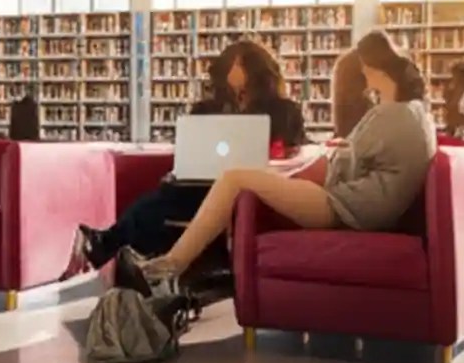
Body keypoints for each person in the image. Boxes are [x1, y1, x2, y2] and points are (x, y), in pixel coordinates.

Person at [134, 30, 435, 282]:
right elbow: (364, 158)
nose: (362, 76)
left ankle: (169, 265)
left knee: (234, 177)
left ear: (374, 68)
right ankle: (178, 264)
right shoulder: (414, 113)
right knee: (256, 179)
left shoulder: (389, 115)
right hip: (361, 205)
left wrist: (333, 154)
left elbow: (346, 166)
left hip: (348, 208)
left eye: (363, 68)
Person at [63, 39, 305, 275]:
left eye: (239, 63)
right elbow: (194, 149)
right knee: (165, 199)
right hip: (205, 186)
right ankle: (123, 256)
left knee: (165, 203)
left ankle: (107, 246)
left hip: (254, 187)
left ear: (255, 67)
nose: (233, 68)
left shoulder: (284, 110)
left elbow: (296, 149)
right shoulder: (206, 109)